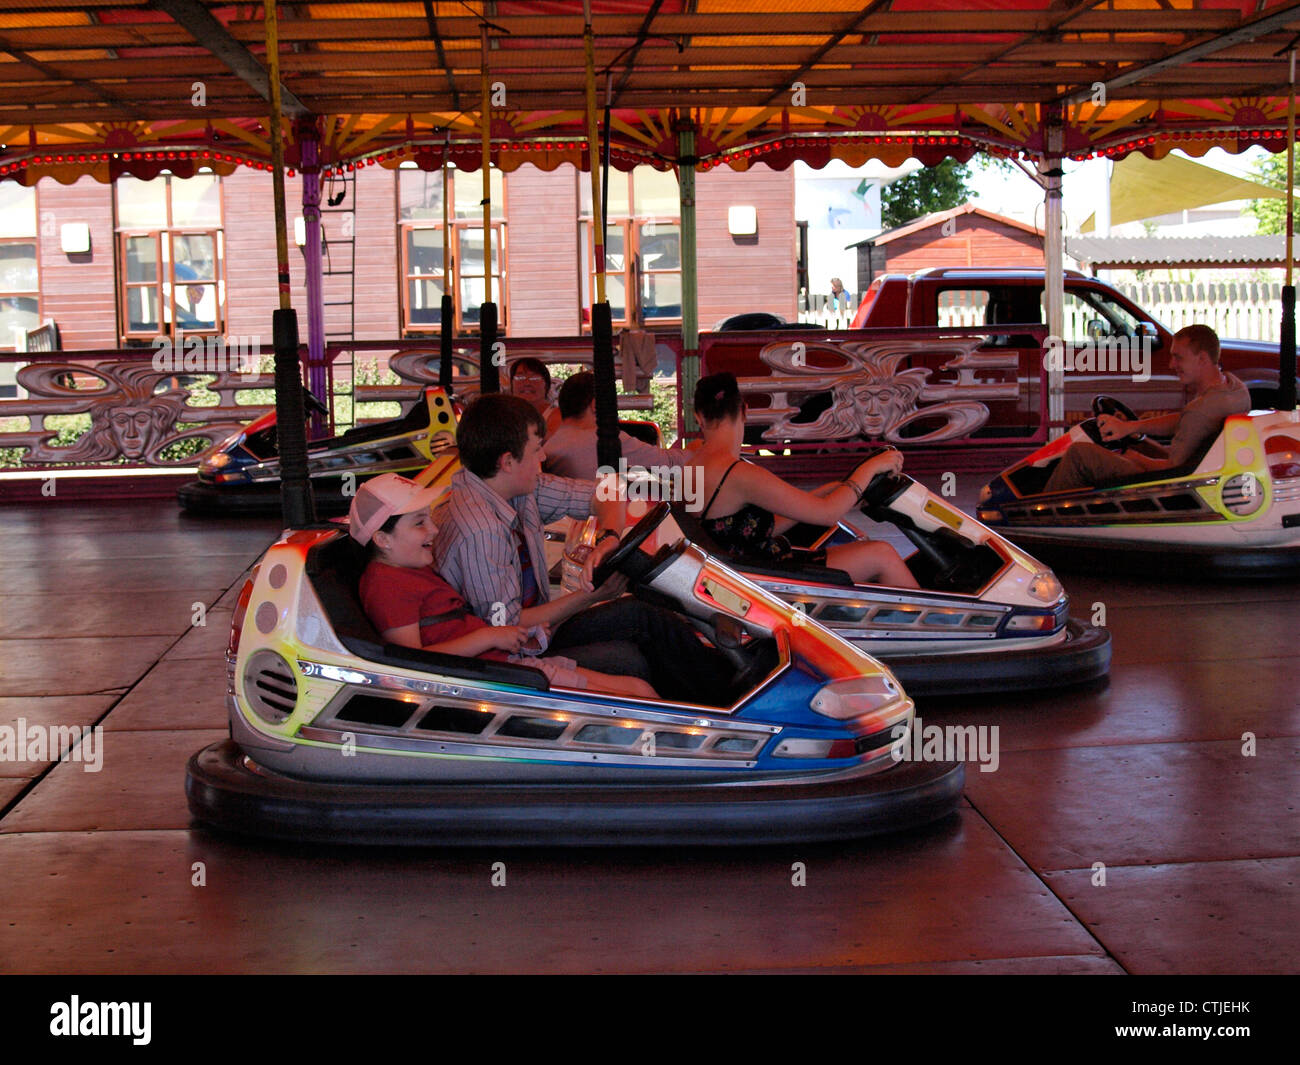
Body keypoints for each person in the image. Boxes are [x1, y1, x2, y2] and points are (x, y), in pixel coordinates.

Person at [432, 392, 736, 706]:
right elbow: (507, 628)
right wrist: (590, 597)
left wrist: (609, 538)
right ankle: (715, 713)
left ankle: (724, 699)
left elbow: (608, 491)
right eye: (536, 451)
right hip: (510, 660)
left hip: (539, 634)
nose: (542, 459)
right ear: (507, 461)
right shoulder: (481, 531)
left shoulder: (514, 488)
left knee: (645, 615)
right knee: (631, 659)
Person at [349, 472, 655, 698]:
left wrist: (512, 636)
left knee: (639, 686)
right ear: (382, 538)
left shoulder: (412, 570)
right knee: (639, 692)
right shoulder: (385, 584)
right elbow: (410, 665)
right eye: (419, 523)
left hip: (504, 663)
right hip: (496, 680)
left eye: (428, 518)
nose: (434, 529)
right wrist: (488, 636)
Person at [692, 371, 920, 588]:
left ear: (699, 417)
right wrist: (871, 467)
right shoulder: (738, 473)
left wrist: (822, 492)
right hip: (764, 582)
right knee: (882, 554)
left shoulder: (694, 463)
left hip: (741, 571)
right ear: (744, 411)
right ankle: (939, 627)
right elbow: (827, 514)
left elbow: (745, 532)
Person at [1043, 324, 1251, 494]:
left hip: (1168, 487)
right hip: (1200, 469)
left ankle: (1038, 519)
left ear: (1202, 359)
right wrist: (1132, 428)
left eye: (1178, 357)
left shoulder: (1201, 410)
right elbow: (1184, 422)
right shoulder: (1234, 388)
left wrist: (1136, 457)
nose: (1171, 364)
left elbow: (1173, 470)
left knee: (1079, 454)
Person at [542, 370, 684, 479]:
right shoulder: (607, 442)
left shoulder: (548, 447)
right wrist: (700, 450)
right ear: (595, 405)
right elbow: (670, 464)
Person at [508, 357, 561, 434]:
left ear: (546, 385)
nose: (527, 383)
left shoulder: (557, 417)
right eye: (520, 377)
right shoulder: (505, 416)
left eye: (535, 378)